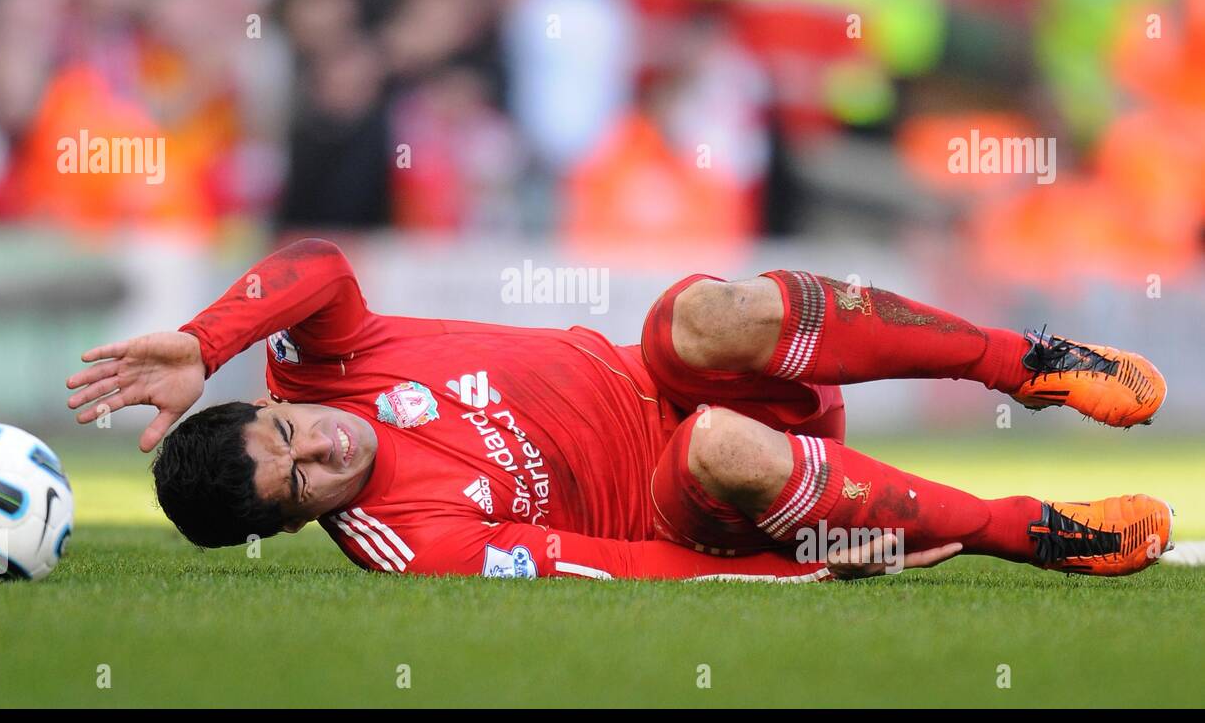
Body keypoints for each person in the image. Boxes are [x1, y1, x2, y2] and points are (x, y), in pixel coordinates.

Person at [66, 238, 1173, 582]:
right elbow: (622, 571)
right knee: (709, 443)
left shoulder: (326, 366)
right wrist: (807, 565)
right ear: (298, 521)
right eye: (298, 480)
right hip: (712, 497)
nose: (322, 446)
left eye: (285, 431)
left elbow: (316, 261)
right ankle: (1030, 531)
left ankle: (1023, 361)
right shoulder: (409, 545)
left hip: (715, 387)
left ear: (272, 399)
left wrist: (206, 338)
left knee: (698, 310)